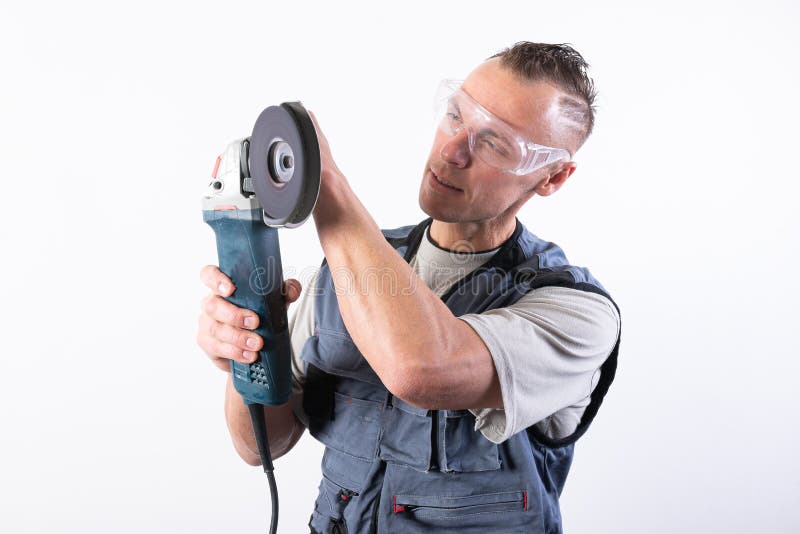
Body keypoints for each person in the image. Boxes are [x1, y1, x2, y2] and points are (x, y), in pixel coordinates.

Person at [197, 42, 621, 533]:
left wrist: (323, 184)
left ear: (553, 177)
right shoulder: (344, 271)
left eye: (494, 143)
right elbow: (261, 447)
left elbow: (419, 368)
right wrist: (245, 350)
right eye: (456, 115)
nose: (452, 150)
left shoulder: (575, 315)